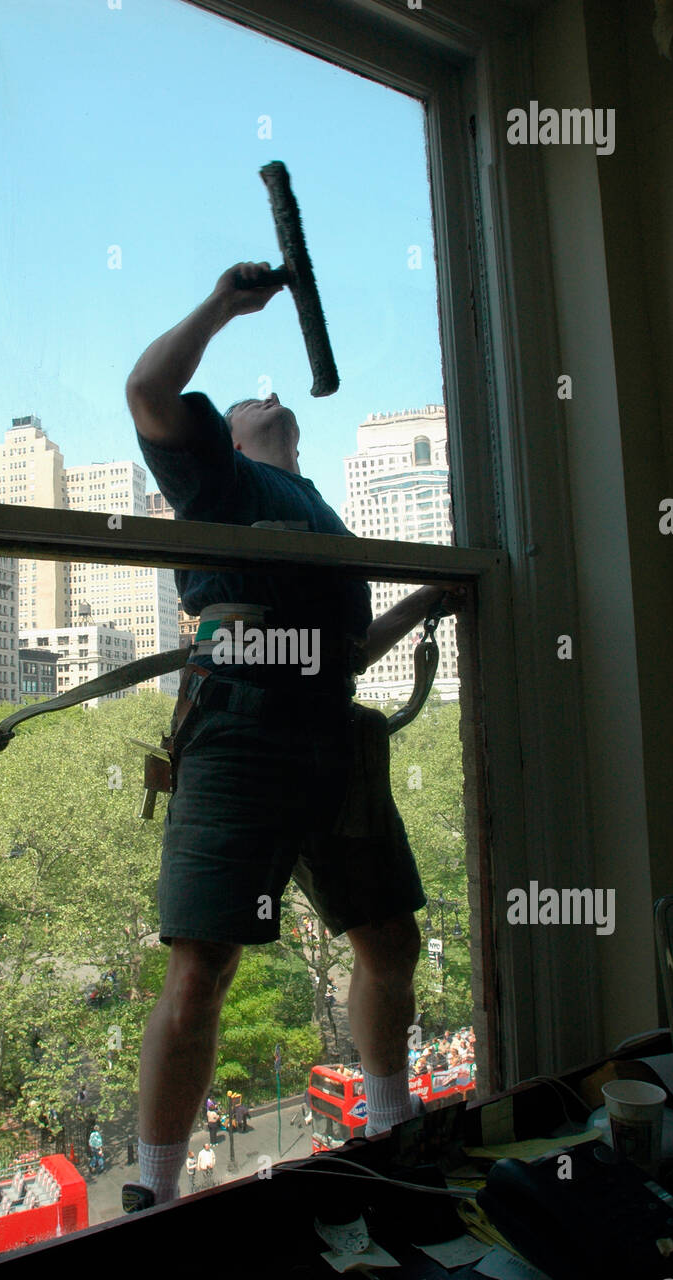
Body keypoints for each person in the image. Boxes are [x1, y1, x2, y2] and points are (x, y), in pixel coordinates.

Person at [120, 261, 462, 1214]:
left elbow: (346, 650)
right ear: (225, 435)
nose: (266, 394)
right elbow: (148, 389)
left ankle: (388, 1132)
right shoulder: (217, 481)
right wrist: (225, 304)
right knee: (204, 969)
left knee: (389, 941)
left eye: (275, 400)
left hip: (331, 738)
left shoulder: (328, 515)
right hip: (238, 735)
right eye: (244, 400)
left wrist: (427, 602)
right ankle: (152, 1193)